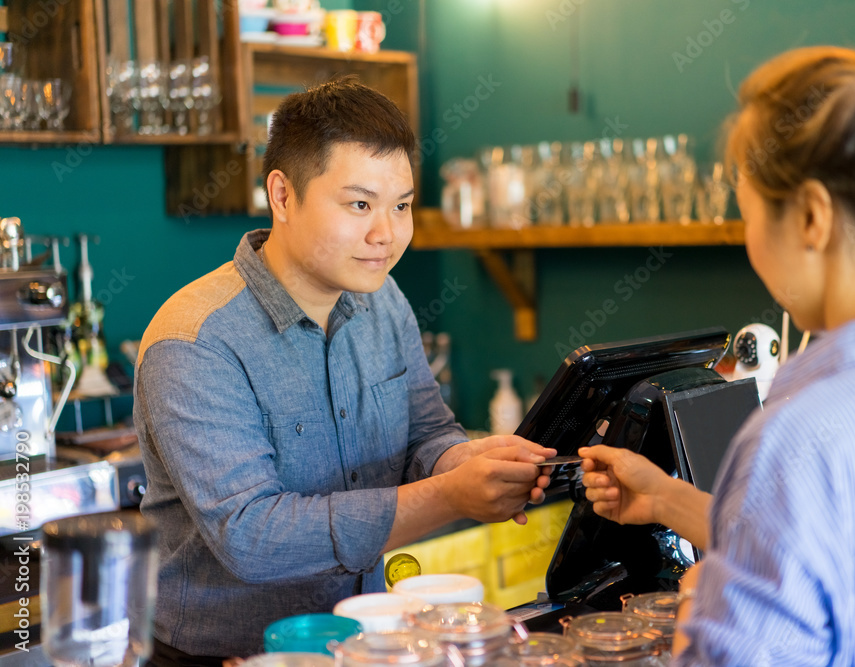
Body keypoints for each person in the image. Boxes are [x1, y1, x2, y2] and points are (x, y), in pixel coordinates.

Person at [580, 3, 855, 665]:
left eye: (748, 214)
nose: (749, 241)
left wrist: (698, 605)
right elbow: (840, 554)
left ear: (810, 218)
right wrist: (665, 498)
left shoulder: (801, 437)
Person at [134, 78, 554, 664]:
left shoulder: (385, 301)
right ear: (283, 196)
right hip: (225, 657)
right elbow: (251, 536)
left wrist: (471, 461)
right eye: (360, 205)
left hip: (363, 644)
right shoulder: (195, 340)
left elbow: (427, 435)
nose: (387, 234)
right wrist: (451, 495)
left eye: (401, 206)